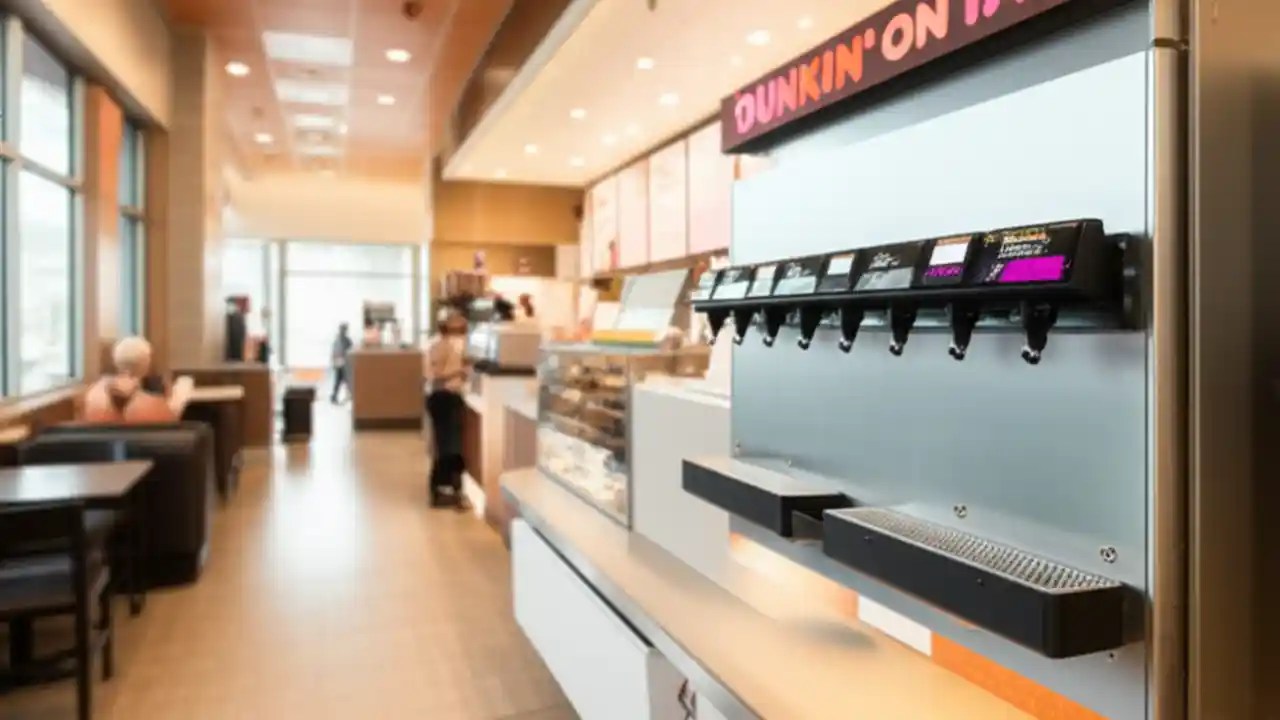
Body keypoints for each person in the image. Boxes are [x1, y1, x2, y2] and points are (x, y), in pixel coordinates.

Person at [84, 337, 194, 424]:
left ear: (115, 360)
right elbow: (170, 426)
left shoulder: (93, 393)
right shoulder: (148, 404)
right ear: (147, 364)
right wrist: (178, 398)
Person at [425, 311, 470, 508]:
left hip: (445, 397)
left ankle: (448, 489)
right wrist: (459, 371)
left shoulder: (444, 345)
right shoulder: (438, 346)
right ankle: (443, 490)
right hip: (444, 397)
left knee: (448, 446)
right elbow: (435, 376)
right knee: (448, 446)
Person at [330, 323, 354, 404]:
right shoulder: (339, 341)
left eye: (344, 329)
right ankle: (334, 397)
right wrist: (333, 363)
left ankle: (347, 396)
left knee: (346, 381)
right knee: (340, 381)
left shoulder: (346, 340)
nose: (343, 331)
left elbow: (351, 352)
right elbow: (334, 353)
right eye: (343, 329)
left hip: (344, 364)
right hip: (340, 364)